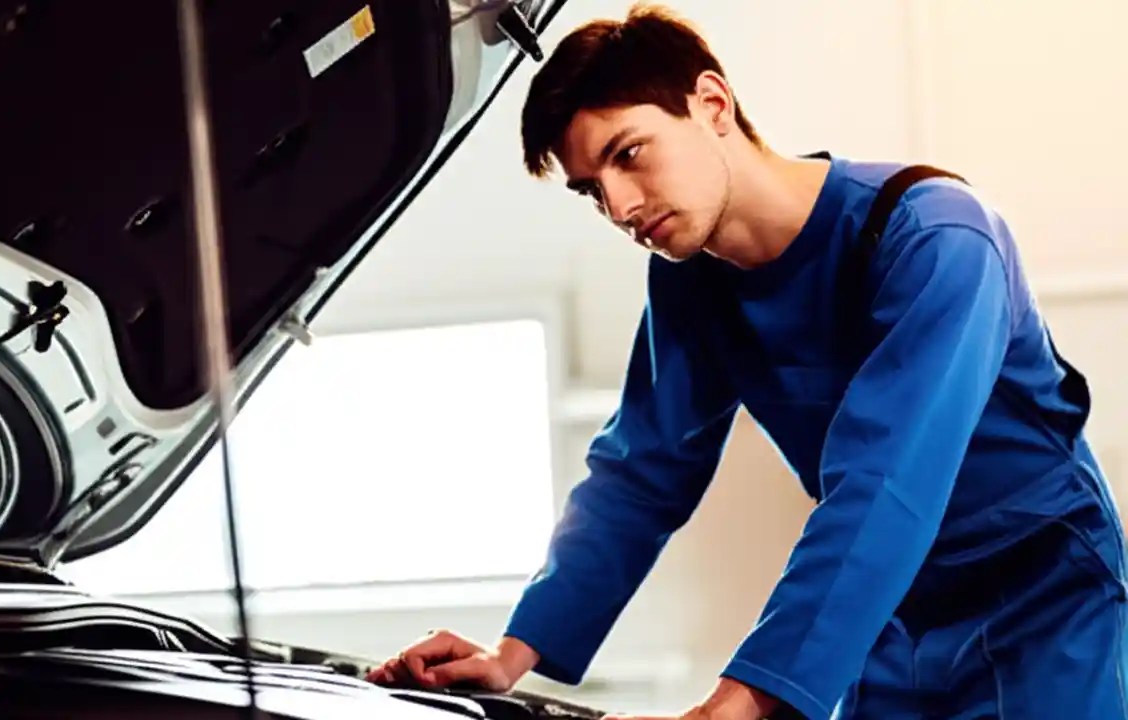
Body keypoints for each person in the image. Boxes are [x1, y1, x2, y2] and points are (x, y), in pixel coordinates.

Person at [365, 4, 1128, 719]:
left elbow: (887, 481)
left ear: (713, 104)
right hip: (893, 610)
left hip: (1045, 600)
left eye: (629, 154)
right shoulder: (690, 279)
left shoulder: (938, 238)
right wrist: (512, 653)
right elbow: (640, 473)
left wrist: (740, 702)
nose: (622, 208)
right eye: (592, 191)